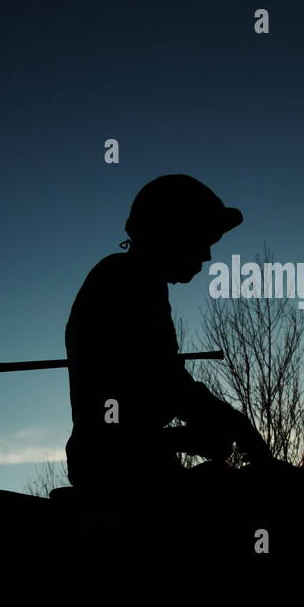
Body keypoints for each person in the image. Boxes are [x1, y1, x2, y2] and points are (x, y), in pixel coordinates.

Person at [64, 174, 270, 510]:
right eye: (201, 239)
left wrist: (188, 436)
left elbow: (151, 389)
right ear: (171, 233)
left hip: (117, 455)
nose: (207, 255)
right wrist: (232, 423)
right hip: (117, 462)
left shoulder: (128, 277)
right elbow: (165, 383)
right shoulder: (129, 279)